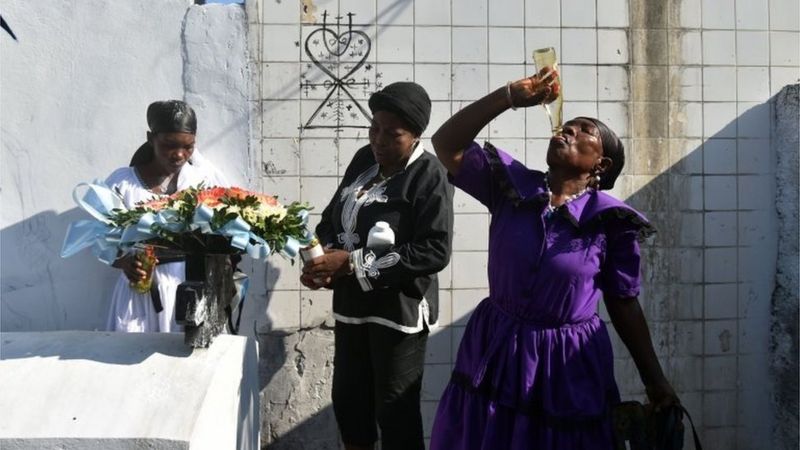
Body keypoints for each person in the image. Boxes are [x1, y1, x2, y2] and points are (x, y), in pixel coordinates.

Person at [428, 69, 680, 449]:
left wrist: (655, 380)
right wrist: (509, 96)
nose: (567, 131)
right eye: (568, 126)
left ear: (602, 164)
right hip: (497, 349)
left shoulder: (612, 222)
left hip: (566, 365)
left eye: (583, 132)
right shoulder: (512, 188)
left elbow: (624, 303)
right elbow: (446, 144)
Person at [300, 82, 454, 450]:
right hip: (353, 308)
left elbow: (435, 249)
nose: (379, 140)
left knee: (394, 410)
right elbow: (330, 220)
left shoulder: (429, 175)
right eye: (374, 129)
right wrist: (322, 261)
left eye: (393, 134)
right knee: (350, 403)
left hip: (397, 311)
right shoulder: (363, 160)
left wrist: (352, 263)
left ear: (415, 136)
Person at [106, 100, 221, 332]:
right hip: (140, 291)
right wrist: (124, 262)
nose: (179, 154)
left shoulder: (202, 181)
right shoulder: (122, 183)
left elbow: (225, 227)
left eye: (188, 147)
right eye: (169, 145)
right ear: (151, 138)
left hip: (190, 287)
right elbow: (100, 235)